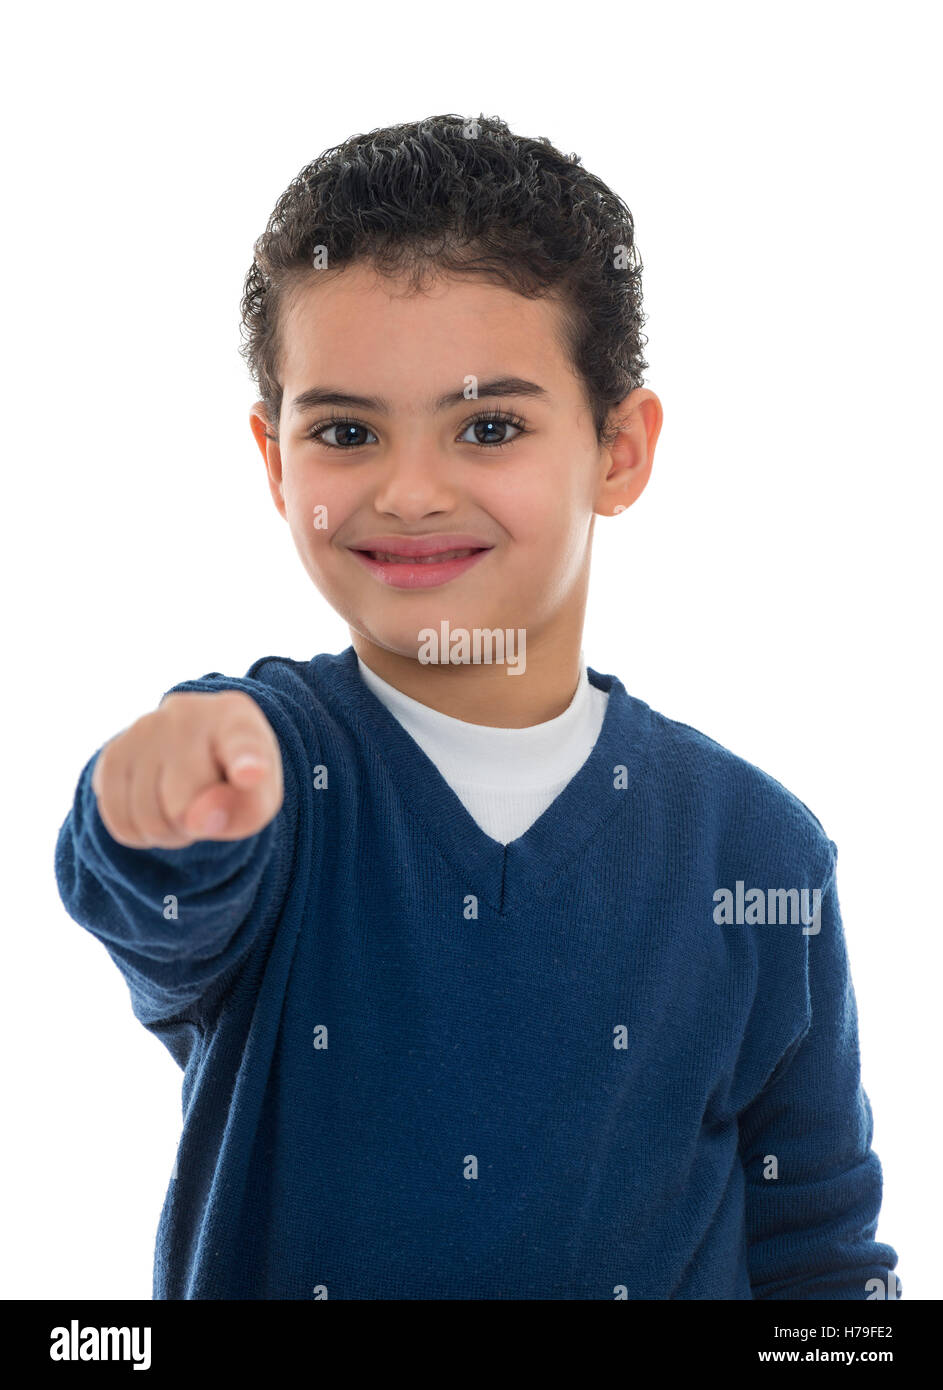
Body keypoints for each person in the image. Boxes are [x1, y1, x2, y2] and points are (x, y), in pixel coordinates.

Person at [54, 113, 900, 1300]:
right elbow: (156, 891)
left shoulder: (757, 848)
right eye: (346, 432)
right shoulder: (267, 772)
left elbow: (815, 1243)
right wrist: (158, 799)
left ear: (618, 449)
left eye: (488, 427)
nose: (408, 490)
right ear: (273, 459)